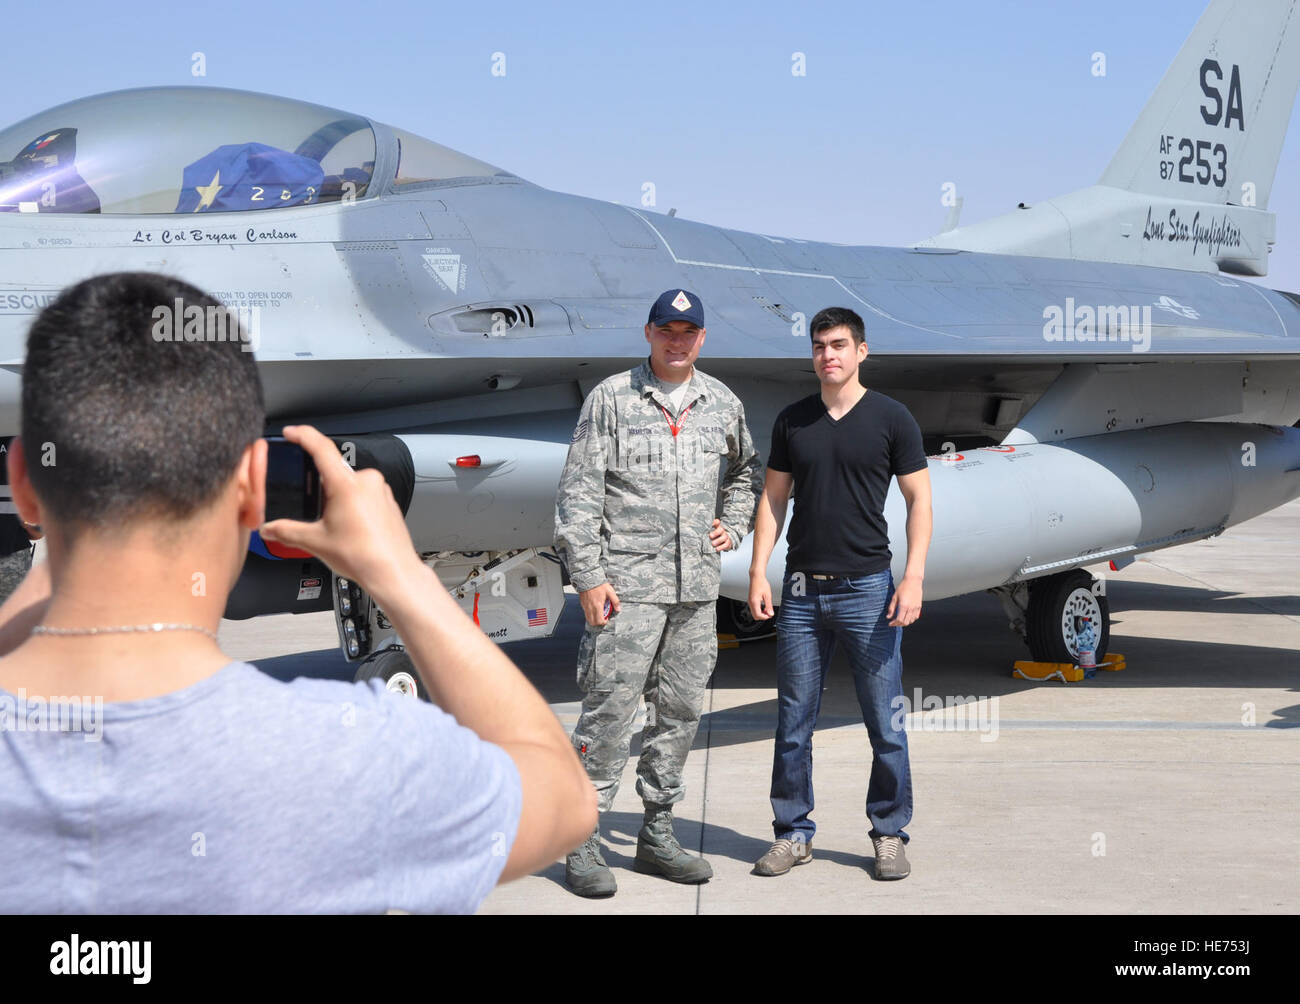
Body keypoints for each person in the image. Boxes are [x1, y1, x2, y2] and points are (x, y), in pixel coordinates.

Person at [0, 272, 596, 913]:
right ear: (255, 482)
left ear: (22, 482)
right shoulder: (349, 753)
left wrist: (58, 531)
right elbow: (561, 799)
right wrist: (398, 570)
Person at [554, 288, 761, 897]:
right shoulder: (612, 400)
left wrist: (737, 521)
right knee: (610, 713)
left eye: (688, 331)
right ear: (648, 334)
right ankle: (581, 838)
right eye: (666, 330)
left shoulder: (721, 403)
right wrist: (588, 577)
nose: (677, 340)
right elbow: (578, 494)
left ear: (702, 338)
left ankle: (657, 833)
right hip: (625, 592)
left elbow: (747, 470)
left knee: (679, 714)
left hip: (695, 592)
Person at [747, 306, 932, 881]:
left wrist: (913, 577)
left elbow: (919, 501)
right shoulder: (793, 421)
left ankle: (888, 832)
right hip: (801, 592)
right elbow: (773, 499)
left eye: (839, 345)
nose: (828, 355)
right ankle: (793, 833)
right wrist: (758, 572)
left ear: (861, 351)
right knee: (793, 723)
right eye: (820, 346)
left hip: (869, 591)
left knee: (885, 724)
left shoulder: (891, 418)